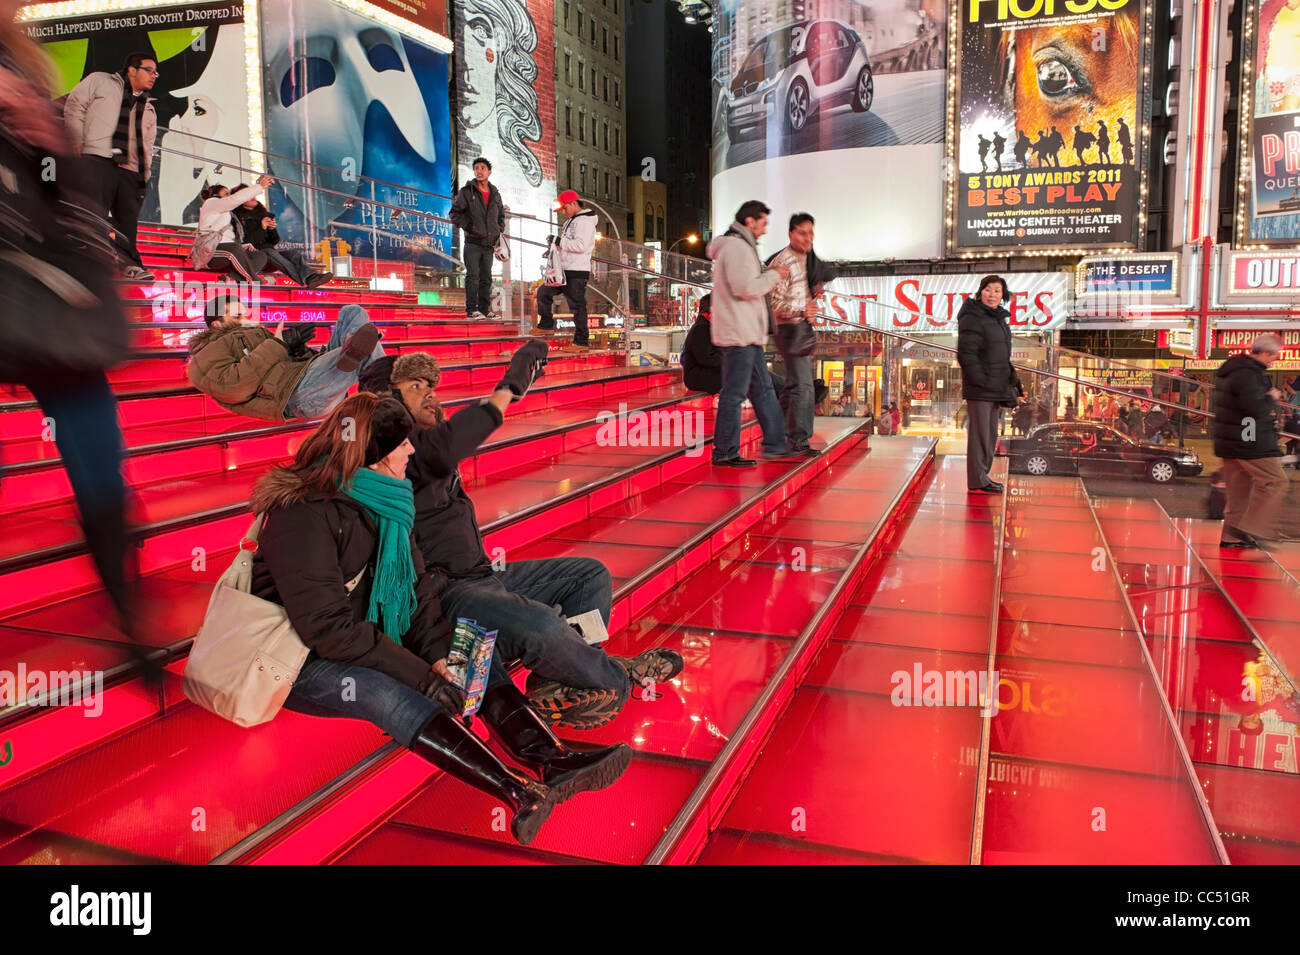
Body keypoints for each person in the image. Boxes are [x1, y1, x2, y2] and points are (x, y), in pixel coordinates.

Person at [250, 393, 631, 845]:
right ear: (374, 452)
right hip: (297, 658)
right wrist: (424, 677)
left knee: (465, 649)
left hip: (361, 633)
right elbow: (328, 630)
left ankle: (550, 758)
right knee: (380, 687)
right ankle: (518, 791)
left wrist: (437, 656)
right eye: (402, 444)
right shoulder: (303, 512)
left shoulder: (389, 504)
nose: (412, 450)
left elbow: (416, 596)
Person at [358, 348, 684, 728]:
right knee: (541, 625)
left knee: (588, 577)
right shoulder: (390, 456)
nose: (432, 395)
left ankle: (560, 679)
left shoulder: (422, 447)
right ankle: (614, 677)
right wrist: (509, 390)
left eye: (432, 387)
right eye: (417, 387)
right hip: (445, 592)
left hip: (481, 576)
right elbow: (447, 445)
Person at [0, 9, 143, 654]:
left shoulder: (28, 76)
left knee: (97, 452)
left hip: (45, 294)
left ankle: (126, 600)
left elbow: (60, 187)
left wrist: (51, 152)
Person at [707, 200, 802, 468]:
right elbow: (744, 287)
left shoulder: (739, 246)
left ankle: (775, 444)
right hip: (739, 333)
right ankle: (725, 451)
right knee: (736, 394)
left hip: (746, 333)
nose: (764, 230)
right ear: (750, 221)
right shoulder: (737, 248)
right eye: (763, 223)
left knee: (762, 390)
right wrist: (773, 275)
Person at [188, 293, 382, 421]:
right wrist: (279, 343)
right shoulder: (205, 356)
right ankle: (383, 392)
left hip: (303, 377)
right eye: (238, 316)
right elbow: (233, 388)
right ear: (216, 325)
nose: (246, 320)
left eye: (246, 315)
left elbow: (281, 362)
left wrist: (297, 349)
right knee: (364, 345)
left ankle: (356, 357)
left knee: (352, 312)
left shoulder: (258, 334)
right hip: (294, 395)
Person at [62, 51, 158, 281]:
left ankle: (130, 265)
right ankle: (94, 261)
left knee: (127, 220)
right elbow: (75, 106)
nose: (154, 76)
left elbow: (148, 144)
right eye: (149, 70)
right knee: (93, 213)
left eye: (156, 72)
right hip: (98, 158)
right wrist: (76, 139)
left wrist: (144, 174)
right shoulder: (100, 81)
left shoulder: (149, 107)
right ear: (131, 70)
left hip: (130, 169)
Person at [1214, 334, 1291, 547]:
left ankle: (1229, 538)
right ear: (1265, 352)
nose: (1275, 359)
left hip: (1231, 441)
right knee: (1276, 481)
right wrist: (1271, 397)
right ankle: (1250, 528)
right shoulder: (1248, 374)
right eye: (1274, 355)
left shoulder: (1233, 371)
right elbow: (1255, 409)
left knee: (1239, 495)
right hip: (1249, 441)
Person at [766, 212, 832, 457]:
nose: (808, 238)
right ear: (791, 234)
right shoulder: (782, 262)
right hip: (787, 328)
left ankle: (777, 429)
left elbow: (804, 292)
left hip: (801, 326)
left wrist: (814, 295)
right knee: (803, 385)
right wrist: (802, 309)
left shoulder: (806, 259)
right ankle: (798, 440)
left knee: (795, 383)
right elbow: (774, 304)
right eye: (803, 233)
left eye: (811, 233)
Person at [957, 275, 1023, 493]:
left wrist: (1013, 378)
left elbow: (1000, 355)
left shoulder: (997, 319)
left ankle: (982, 476)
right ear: (980, 292)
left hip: (996, 386)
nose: (992, 294)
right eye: (988, 289)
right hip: (981, 388)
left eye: (997, 290)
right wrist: (981, 381)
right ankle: (977, 479)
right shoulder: (973, 316)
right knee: (980, 436)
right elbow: (967, 354)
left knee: (991, 435)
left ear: (1003, 295)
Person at [233, 188, 333, 288]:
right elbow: (246, 241)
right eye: (249, 196)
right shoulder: (238, 218)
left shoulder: (263, 214)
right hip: (255, 256)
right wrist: (261, 228)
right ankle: (307, 280)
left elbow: (274, 241)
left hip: (271, 254)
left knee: (293, 253)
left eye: (253, 195)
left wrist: (272, 229)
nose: (253, 198)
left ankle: (311, 276)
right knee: (269, 252)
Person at [535, 189, 597, 350]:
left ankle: (581, 342)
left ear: (573, 203)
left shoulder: (584, 221)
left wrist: (559, 241)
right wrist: (556, 246)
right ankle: (546, 325)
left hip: (576, 270)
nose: (563, 212)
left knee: (577, 307)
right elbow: (570, 244)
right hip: (564, 270)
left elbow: (580, 246)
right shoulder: (574, 220)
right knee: (543, 292)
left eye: (564, 208)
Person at [449, 157, 505, 320]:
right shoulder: (467, 192)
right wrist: (470, 227)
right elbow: (455, 213)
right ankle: (471, 309)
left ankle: (485, 309)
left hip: (489, 244)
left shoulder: (495, 193)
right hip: (472, 242)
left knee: (486, 278)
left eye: (482, 168)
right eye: (476, 168)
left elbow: (501, 215)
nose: (479, 171)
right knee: (473, 276)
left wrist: (497, 230)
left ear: (489, 171)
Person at [190, 179, 273, 284]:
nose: (229, 196)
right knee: (234, 249)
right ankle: (253, 280)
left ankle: (230, 277)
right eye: (226, 193)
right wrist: (259, 187)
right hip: (210, 253)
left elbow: (226, 238)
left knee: (260, 256)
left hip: (227, 251)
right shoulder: (212, 203)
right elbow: (234, 199)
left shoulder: (227, 213)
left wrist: (242, 247)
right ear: (216, 195)